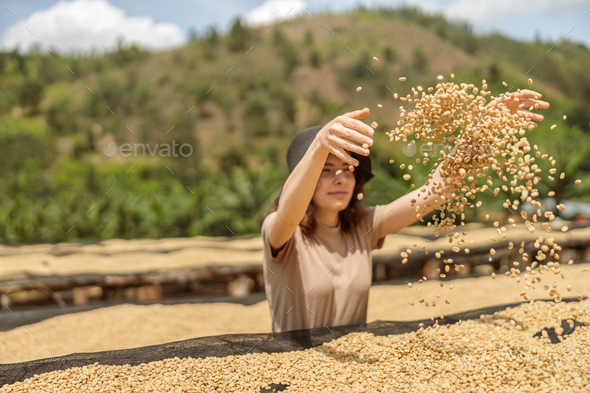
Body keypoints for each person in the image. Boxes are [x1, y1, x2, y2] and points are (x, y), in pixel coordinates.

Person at [261, 90, 548, 333]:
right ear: (304, 178)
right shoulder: (283, 231)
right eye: (325, 171)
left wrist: (482, 131)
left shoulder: (364, 226)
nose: (340, 179)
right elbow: (290, 213)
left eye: (347, 170)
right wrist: (319, 146)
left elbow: (436, 191)